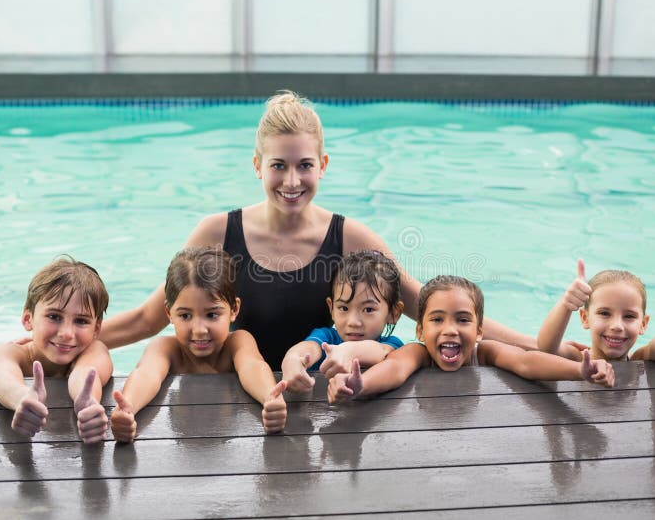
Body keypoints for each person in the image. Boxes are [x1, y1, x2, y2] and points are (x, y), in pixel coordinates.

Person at [99, 91, 537, 370]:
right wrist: (53, 342)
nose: (292, 181)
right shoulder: (216, 233)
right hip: (231, 402)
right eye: (278, 166)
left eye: (304, 165)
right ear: (257, 167)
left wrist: (540, 346)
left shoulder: (352, 240)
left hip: (325, 400)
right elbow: (149, 317)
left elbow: (429, 308)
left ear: (322, 166)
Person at [328, 275, 614, 403]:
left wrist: (579, 371)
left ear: (479, 331)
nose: (450, 329)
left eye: (463, 319)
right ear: (419, 330)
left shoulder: (483, 351)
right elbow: (395, 369)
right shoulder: (419, 353)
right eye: (437, 319)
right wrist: (361, 385)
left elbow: (526, 362)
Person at [109, 247, 286, 442]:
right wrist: (128, 409)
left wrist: (270, 398)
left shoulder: (237, 342)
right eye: (185, 316)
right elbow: (147, 374)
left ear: (234, 309)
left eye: (212, 315)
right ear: (169, 314)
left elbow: (252, 366)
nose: (199, 329)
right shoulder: (166, 349)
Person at [0, 257, 112, 443]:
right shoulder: (14, 352)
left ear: (96, 329)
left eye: (81, 321)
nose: (66, 333)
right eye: (54, 316)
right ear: (28, 319)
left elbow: (87, 373)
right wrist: (22, 397)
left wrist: (88, 401)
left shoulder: (95, 351)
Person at [281, 250, 404, 392]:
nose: (353, 322)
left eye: (368, 310)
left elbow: (380, 351)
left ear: (394, 313)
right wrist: (293, 359)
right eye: (344, 308)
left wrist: (349, 351)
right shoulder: (327, 338)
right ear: (331, 308)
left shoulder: (392, 345)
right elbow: (309, 347)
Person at [536, 260, 655, 362]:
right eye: (604, 313)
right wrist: (566, 304)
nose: (617, 326)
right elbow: (547, 348)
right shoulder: (576, 359)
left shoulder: (641, 361)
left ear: (643, 324)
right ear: (585, 318)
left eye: (629, 316)